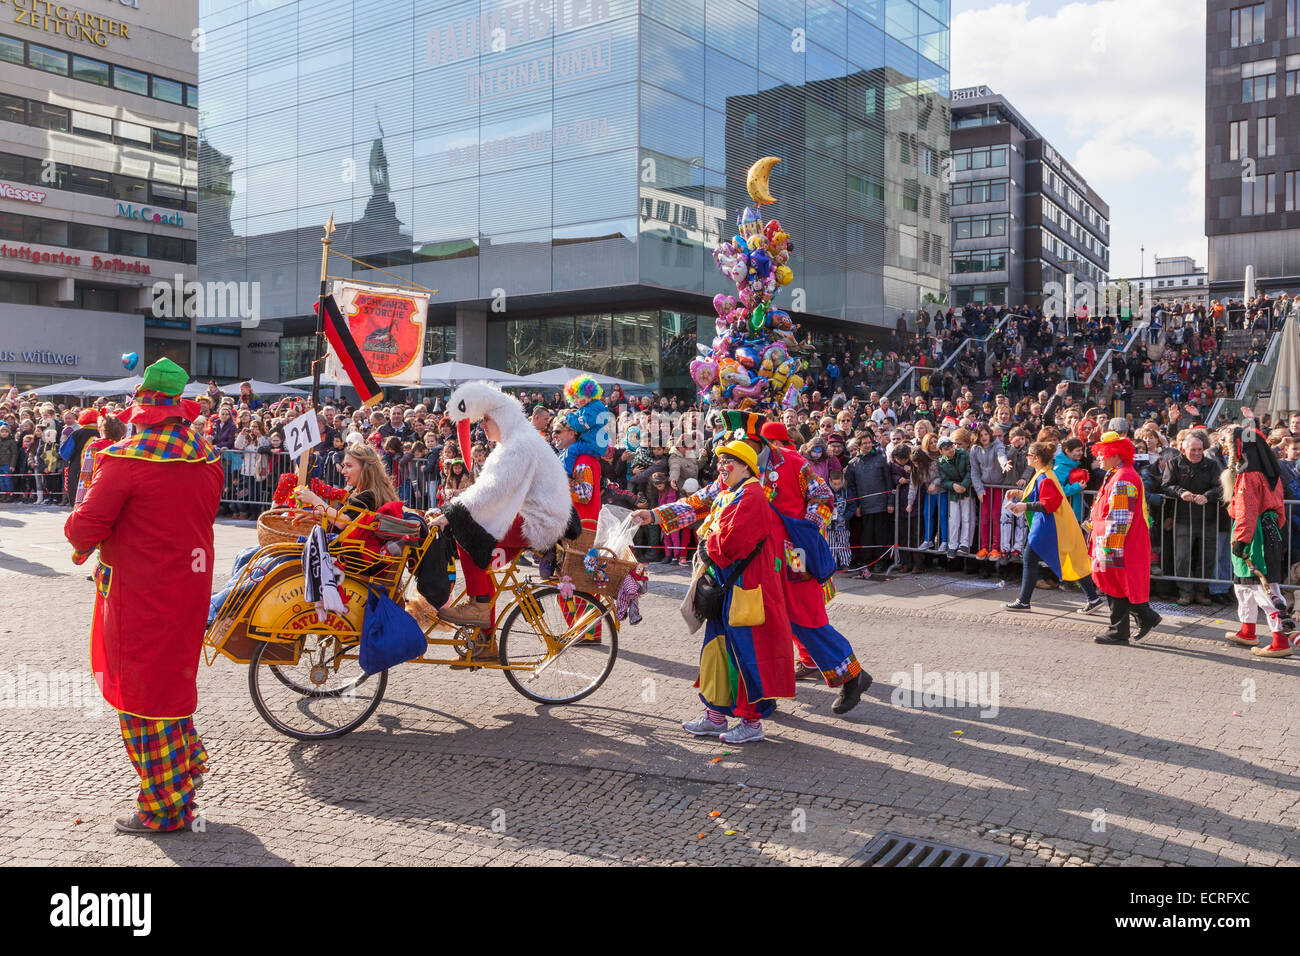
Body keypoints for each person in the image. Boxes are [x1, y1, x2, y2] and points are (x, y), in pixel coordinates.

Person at [63, 358, 224, 834]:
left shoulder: (125, 460)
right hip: (190, 586)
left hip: (139, 592)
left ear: (141, 407)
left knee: (139, 696)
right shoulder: (208, 456)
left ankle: (165, 806)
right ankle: (180, 776)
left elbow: (83, 529)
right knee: (171, 685)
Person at [432, 382, 579, 631]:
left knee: (466, 534)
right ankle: (485, 640)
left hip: (539, 520)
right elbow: (488, 488)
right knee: (483, 563)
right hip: (534, 515)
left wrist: (452, 512)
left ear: (502, 416)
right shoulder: (511, 443)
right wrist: (453, 507)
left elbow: (493, 488)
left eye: (486, 418)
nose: (482, 424)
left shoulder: (520, 443)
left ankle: (478, 606)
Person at [681, 439, 795, 744]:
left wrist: (708, 546)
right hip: (724, 584)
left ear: (746, 465)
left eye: (728, 460)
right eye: (719, 462)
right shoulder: (731, 492)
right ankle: (715, 716)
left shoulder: (752, 494)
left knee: (746, 654)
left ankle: (751, 722)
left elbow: (735, 541)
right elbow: (710, 529)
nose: (721, 467)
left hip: (747, 587)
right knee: (717, 651)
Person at [1003, 442, 1105, 614]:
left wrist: (1024, 506)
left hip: (1047, 527)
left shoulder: (1045, 476)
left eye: (1029, 454)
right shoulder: (1045, 474)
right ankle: (1093, 598)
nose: (1027, 457)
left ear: (1036, 458)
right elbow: (1042, 496)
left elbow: (1048, 503)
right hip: (1050, 526)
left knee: (1031, 560)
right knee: (1070, 560)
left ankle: (1024, 601)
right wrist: (1019, 493)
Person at [1223, 427, 1293, 657]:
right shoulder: (1269, 472)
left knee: (1264, 588)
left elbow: (1247, 510)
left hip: (1254, 535)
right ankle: (1247, 630)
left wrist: (1241, 539)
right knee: (1243, 584)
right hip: (1264, 530)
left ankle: (1281, 641)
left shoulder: (1249, 475)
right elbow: (1280, 509)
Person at [1088, 431, 1161, 645]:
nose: (1099, 457)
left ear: (1115, 454)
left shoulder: (1123, 478)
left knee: (1117, 586)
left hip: (1120, 543)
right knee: (1117, 586)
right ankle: (1139, 620)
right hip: (1119, 542)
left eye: (1102, 453)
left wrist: (1108, 548)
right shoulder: (1118, 474)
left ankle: (1121, 630)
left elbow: (1120, 519)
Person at [559, 374, 610, 476]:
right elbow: (575, 419)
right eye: (573, 398)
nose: (575, 401)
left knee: (572, 449)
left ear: (589, 394)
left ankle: (566, 474)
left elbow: (580, 425)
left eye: (578, 397)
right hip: (591, 442)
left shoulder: (595, 408)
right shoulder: (586, 407)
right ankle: (559, 466)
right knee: (565, 452)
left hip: (593, 444)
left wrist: (569, 415)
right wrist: (565, 417)